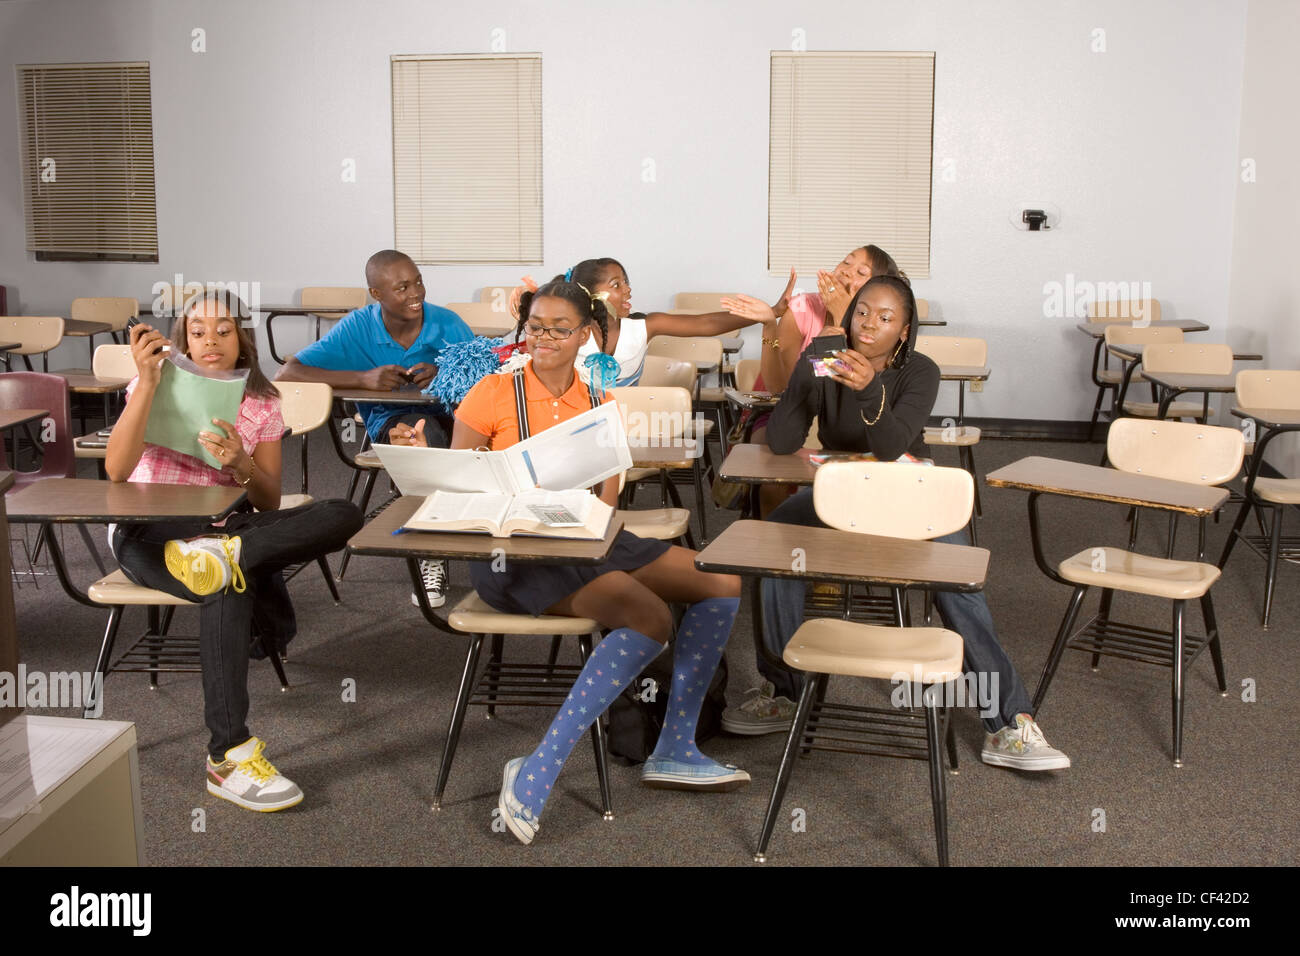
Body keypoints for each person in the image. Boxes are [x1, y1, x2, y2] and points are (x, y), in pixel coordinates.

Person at [388, 277, 747, 844]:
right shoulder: (491, 392)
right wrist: (425, 456)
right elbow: (458, 487)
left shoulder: (595, 397)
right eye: (536, 327)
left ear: (585, 335)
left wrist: (594, 524)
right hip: (512, 554)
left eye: (560, 328)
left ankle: (677, 746)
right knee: (649, 616)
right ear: (524, 329)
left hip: (584, 537)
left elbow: (609, 489)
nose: (546, 337)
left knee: (722, 581)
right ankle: (537, 769)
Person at [721, 274, 1071, 772]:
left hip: (913, 502)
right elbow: (780, 443)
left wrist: (867, 391)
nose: (869, 325)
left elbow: (889, 447)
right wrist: (803, 375)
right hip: (842, 496)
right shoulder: (826, 358)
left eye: (885, 318)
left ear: (903, 331)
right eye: (862, 312)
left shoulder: (919, 372)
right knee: (776, 541)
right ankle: (783, 692)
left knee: (959, 582)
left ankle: (1008, 722)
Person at [106, 290, 363, 811]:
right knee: (225, 579)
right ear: (182, 338)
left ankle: (222, 555)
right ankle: (227, 756)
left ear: (242, 336)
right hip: (150, 529)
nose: (210, 341)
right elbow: (115, 471)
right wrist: (149, 384)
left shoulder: (262, 401)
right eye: (198, 331)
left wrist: (242, 463)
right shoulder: (150, 381)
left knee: (343, 512)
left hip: (231, 526)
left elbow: (268, 498)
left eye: (223, 330)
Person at [276, 249, 473, 609]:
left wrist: (446, 373)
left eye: (418, 282)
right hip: (393, 423)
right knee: (421, 438)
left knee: (460, 437)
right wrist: (363, 378)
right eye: (402, 287)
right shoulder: (357, 327)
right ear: (377, 294)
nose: (415, 293)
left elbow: (485, 376)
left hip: (458, 415)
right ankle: (430, 552)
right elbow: (287, 374)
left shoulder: (448, 323)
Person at [722, 244, 902, 515]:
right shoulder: (803, 307)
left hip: (845, 414)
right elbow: (780, 386)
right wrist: (770, 323)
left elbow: (853, 377)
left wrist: (843, 317)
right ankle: (775, 541)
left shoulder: (875, 325)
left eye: (860, 271)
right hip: (788, 407)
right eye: (845, 262)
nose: (845, 272)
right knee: (773, 474)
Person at [567, 258, 789, 386]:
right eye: (616, 285)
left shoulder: (644, 326)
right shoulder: (568, 333)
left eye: (626, 282)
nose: (628, 289)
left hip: (630, 426)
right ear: (589, 293)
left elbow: (706, 324)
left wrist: (772, 312)